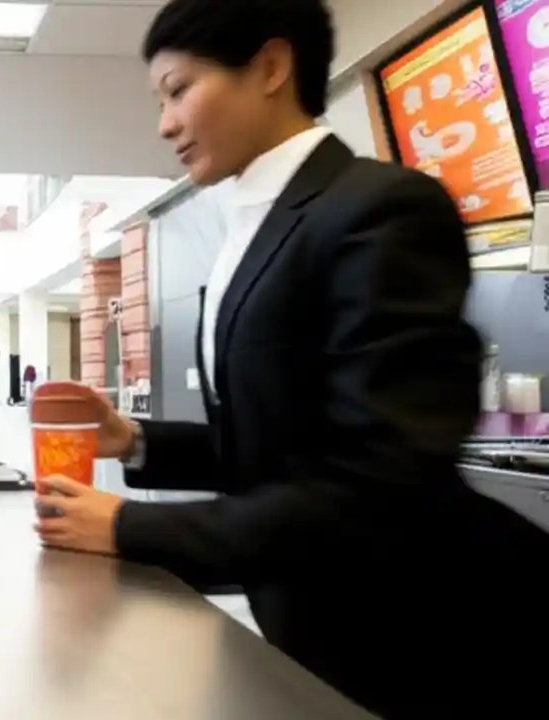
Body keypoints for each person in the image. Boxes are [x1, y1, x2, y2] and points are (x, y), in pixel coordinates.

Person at [32, 0, 549, 717]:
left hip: (431, 637)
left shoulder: (383, 209)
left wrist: (128, 527)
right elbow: (281, 446)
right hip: (316, 636)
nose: (165, 124)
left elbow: (375, 486)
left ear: (271, 67)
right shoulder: (253, 226)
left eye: (179, 90)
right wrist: (135, 439)